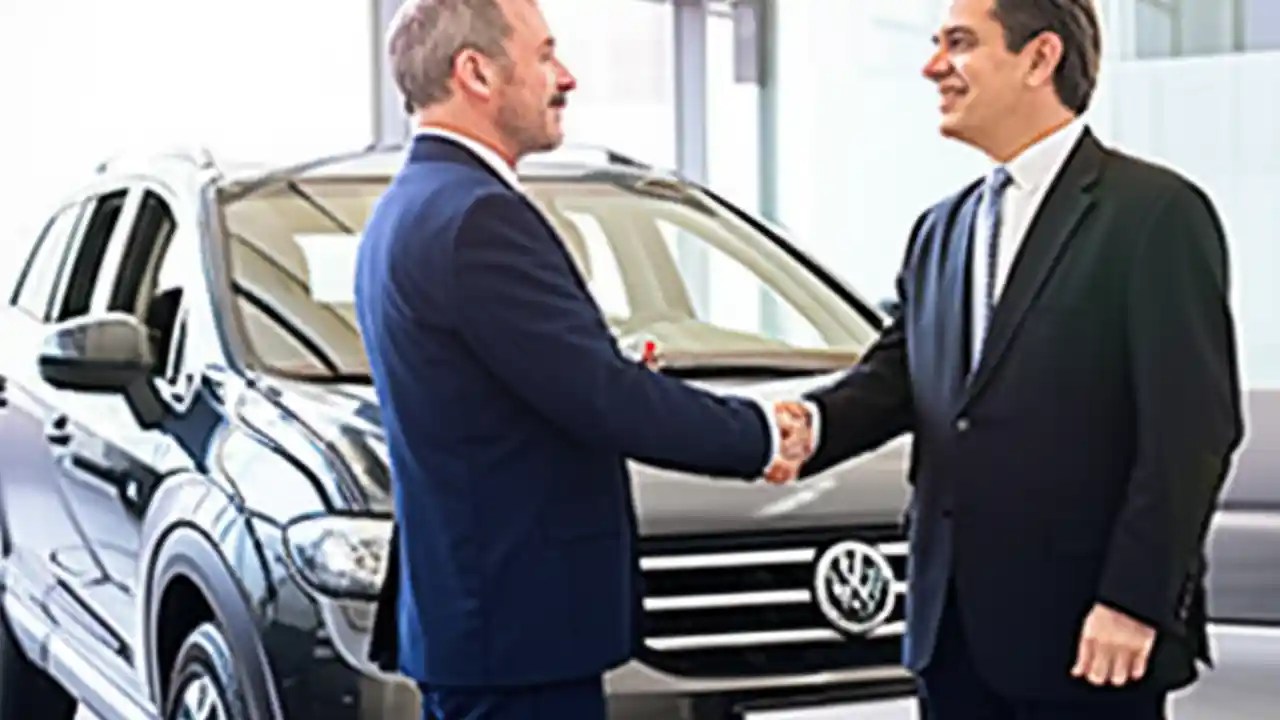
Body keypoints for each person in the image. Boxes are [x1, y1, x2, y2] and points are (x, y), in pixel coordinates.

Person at [773, 0, 1244, 717]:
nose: (933, 67)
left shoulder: (1154, 214)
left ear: (1040, 58)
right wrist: (807, 425)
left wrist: (1133, 602)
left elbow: (1192, 433)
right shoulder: (941, 228)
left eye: (960, 43)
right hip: (951, 637)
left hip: (1089, 640)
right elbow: (896, 378)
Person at [354, 1, 809, 718]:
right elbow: (598, 395)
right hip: (518, 634)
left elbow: (524, 387)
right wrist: (760, 436)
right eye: (543, 55)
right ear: (475, 72)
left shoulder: (409, 207)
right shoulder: (478, 216)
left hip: (482, 626)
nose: (565, 77)